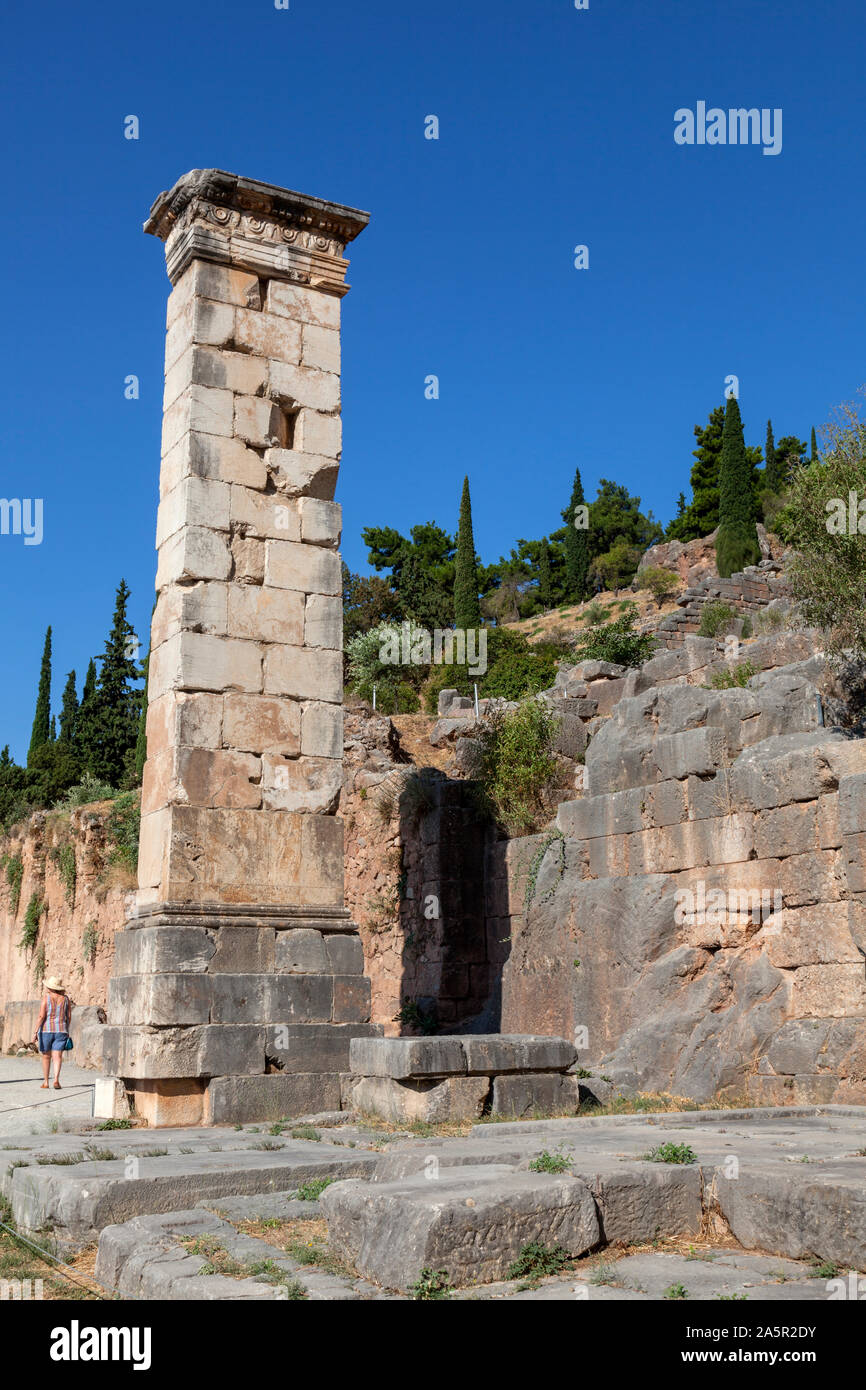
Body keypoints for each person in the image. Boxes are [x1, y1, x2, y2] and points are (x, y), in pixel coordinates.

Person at [33, 975, 74, 1089]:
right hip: (61, 1030)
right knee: (58, 1056)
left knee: (46, 1056)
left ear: (50, 987)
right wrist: (66, 1028)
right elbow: (69, 1016)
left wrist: (35, 1032)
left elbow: (41, 1016)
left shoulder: (46, 998)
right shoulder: (66, 999)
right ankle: (56, 1080)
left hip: (46, 1030)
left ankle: (46, 1082)